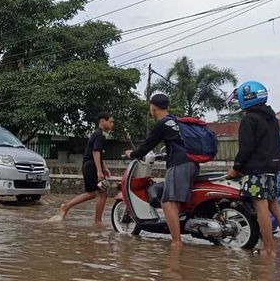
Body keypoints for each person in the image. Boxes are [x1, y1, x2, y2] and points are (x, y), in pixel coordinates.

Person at [226, 81, 280, 257]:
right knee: (275, 208)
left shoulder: (249, 119)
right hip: (272, 169)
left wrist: (236, 169)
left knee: (261, 208)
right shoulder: (272, 118)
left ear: (246, 98)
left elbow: (245, 149)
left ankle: (268, 249)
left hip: (256, 170)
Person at [125, 94, 197, 249]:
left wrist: (131, 154)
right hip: (192, 163)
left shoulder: (162, 124)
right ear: (167, 106)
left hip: (179, 164)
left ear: (153, 108)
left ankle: (176, 243)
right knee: (176, 202)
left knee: (167, 202)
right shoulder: (176, 121)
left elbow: (146, 146)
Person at [58, 111, 114, 222]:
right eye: (111, 122)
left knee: (92, 193)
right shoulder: (100, 135)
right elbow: (95, 152)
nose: (112, 124)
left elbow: (97, 153)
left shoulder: (97, 133)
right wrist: (99, 171)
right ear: (102, 121)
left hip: (88, 165)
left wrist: (104, 167)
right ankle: (98, 222)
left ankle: (66, 206)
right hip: (92, 166)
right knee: (102, 194)